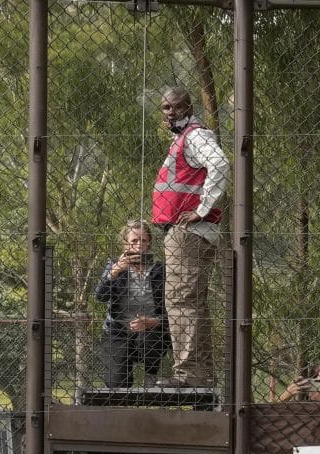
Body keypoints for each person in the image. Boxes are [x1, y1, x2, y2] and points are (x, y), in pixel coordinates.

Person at [152, 86, 229, 389]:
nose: (171, 112)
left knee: (181, 300)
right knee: (190, 301)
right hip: (185, 232)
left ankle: (190, 373)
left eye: (176, 106)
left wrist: (202, 208)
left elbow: (220, 163)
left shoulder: (196, 136)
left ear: (189, 108)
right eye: (166, 107)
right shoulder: (183, 139)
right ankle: (200, 372)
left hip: (189, 232)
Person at [94, 219, 168, 387]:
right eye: (134, 241)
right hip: (118, 331)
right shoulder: (114, 265)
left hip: (150, 331)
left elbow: (173, 309)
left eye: (143, 240)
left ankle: (151, 374)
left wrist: (155, 321)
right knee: (116, 384)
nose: (139, 245)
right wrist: (114, 272)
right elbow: (100, 296)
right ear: (125, 244)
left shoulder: (160, 269)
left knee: (150, 338)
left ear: (150, 243)